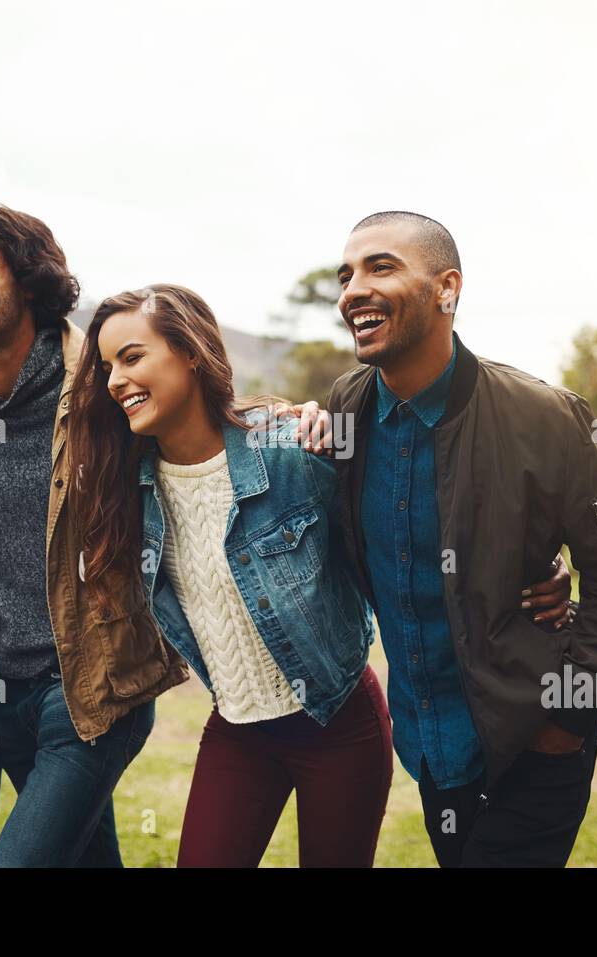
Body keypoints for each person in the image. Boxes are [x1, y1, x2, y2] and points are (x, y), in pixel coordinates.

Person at [324, 211, 597, 867]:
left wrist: (568, 718)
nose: (352, 290)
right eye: (346, 274)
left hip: (535, 744)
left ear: (447, 288)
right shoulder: (345, 409)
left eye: (380, 266)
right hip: (430, 750)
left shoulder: (544, 416)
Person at [73, 284, 393, 866]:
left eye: (133, 356)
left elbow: (397, 539)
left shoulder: (292, 450)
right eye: (106, 366)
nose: (116, 380)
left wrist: (542, 570)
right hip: (239, 727)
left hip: (340, 723)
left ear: (191, 352)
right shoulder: (128, 490)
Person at [0, 203, 186, 866]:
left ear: (29, 279)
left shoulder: (97, 386)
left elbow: (196, 401)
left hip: (93, 691)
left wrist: (291, 419)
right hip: (4, 696)